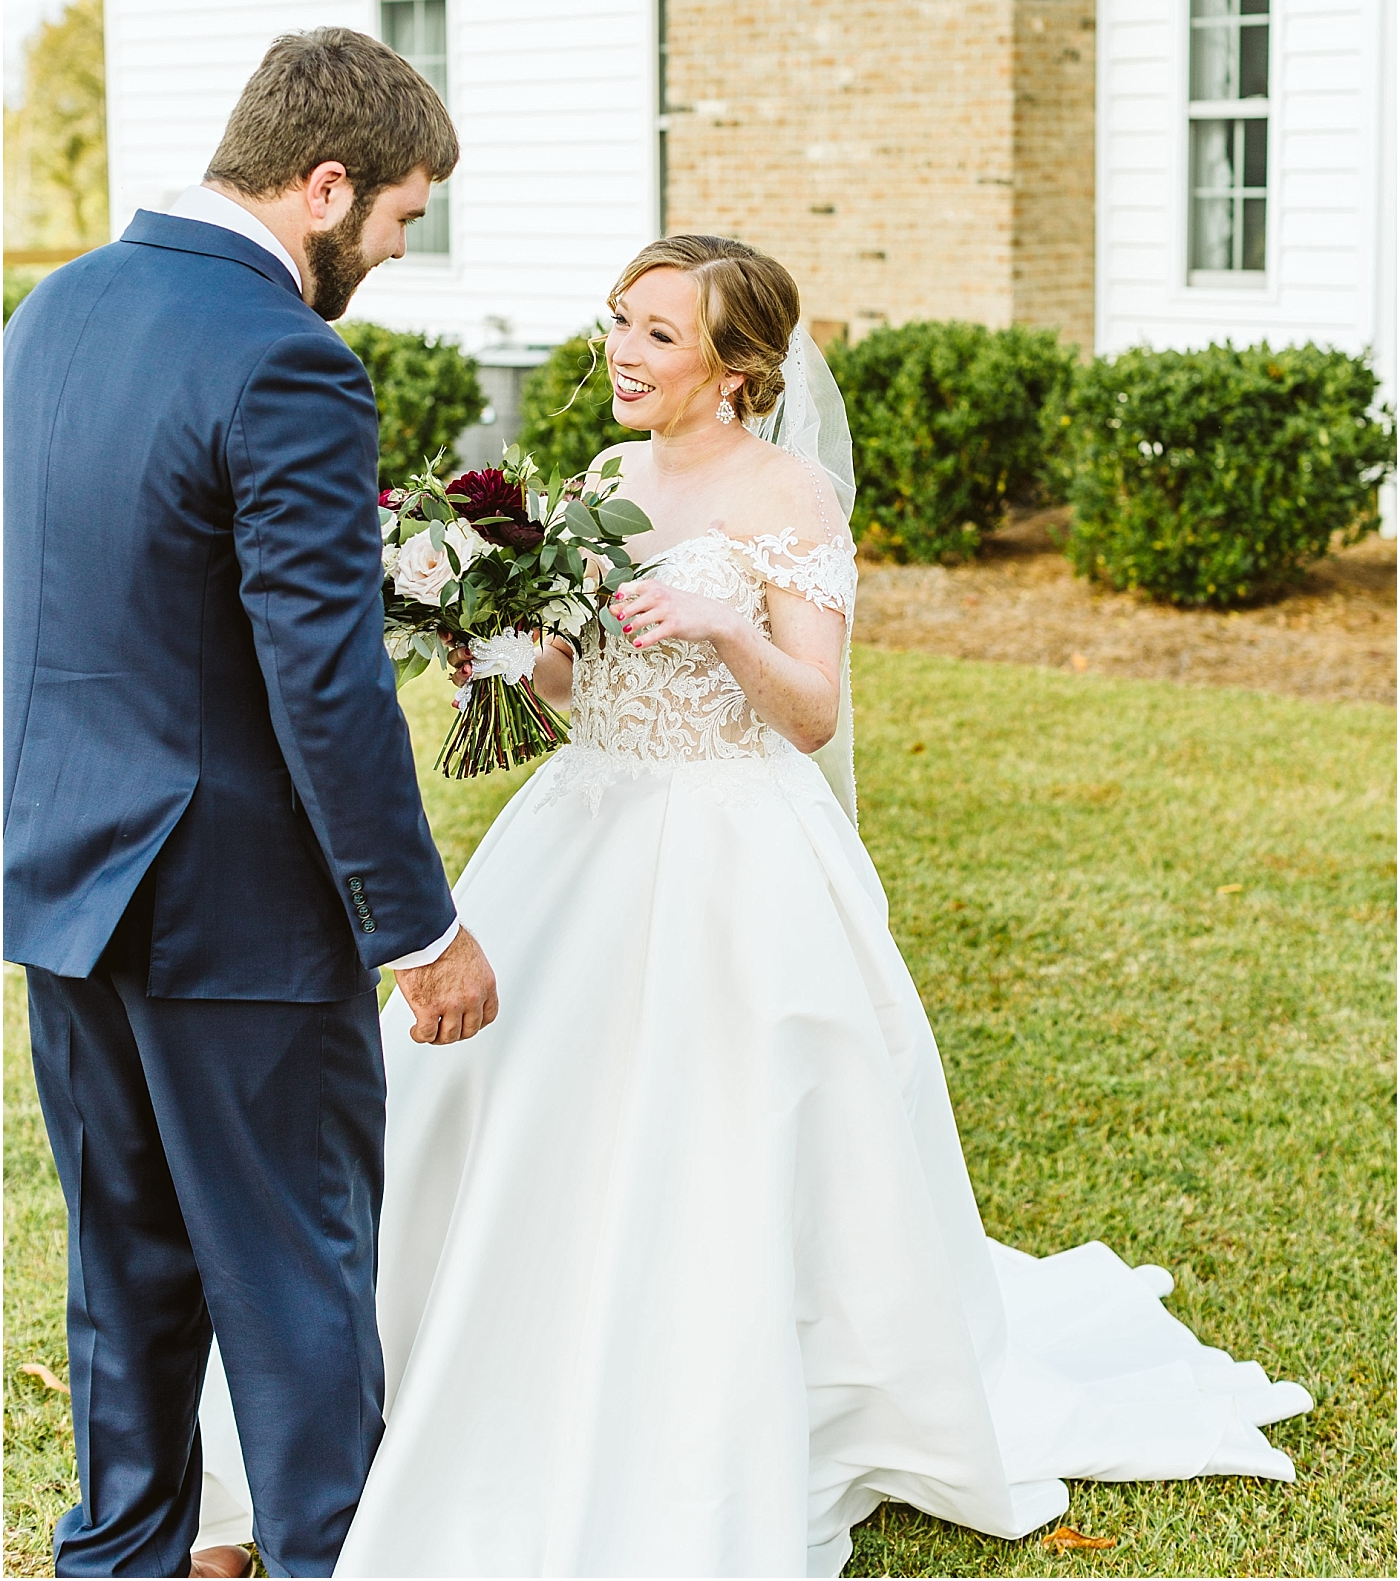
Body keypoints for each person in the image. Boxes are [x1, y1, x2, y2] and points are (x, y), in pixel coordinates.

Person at [198, 232, 1310, 1576]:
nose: (622, 350)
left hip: (730, 847)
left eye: (659, 333)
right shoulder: (602, 480)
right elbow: (578, 687)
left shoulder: (793, 496)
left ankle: (698, 1390)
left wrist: (725, 624)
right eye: (621, 320)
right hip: (581, 833)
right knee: (497, 1099)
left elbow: (812, 711)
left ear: (734, 370)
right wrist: (504, 648)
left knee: (710, 1129)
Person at [4, 29, 499, 1580]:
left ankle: (119, 1558)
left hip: (64, 884)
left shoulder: (53, 307)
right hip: (235, 910)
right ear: (326, 184)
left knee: (125, 1266)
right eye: (401, 216)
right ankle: (323, 1557)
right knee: (297, 1276)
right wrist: (418, 927)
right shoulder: (289, 358)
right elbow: (325, 684)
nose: (396, 251)